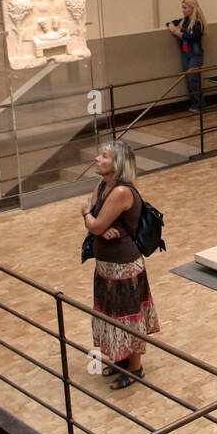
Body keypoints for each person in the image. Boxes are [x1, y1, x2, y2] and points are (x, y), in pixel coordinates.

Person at [81, 140, 159, 390]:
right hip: (106, 266)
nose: (97, 159)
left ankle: (135, 368)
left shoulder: (121, 192)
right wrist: (100, 229)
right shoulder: (104, 184)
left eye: (103, 156)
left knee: (128, 316)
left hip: (124, 267)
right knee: (113, 313)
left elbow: (92, 219)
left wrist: (89, 218)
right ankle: (122, 360)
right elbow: (96, 217)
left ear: (117, 164)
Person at [166, 0, 206, 112]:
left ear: (192, 8)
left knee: (192, 78)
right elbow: (171, 22)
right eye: (182, 8)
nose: (183, 10)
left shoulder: (198, 22)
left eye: (185, 8)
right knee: (189, 78)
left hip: (195, 54)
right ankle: (198, 102)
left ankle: (197, 103)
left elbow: (193, 37)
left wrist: (179, 33)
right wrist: (171, 26)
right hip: (185, 53)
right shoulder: (184, 20)